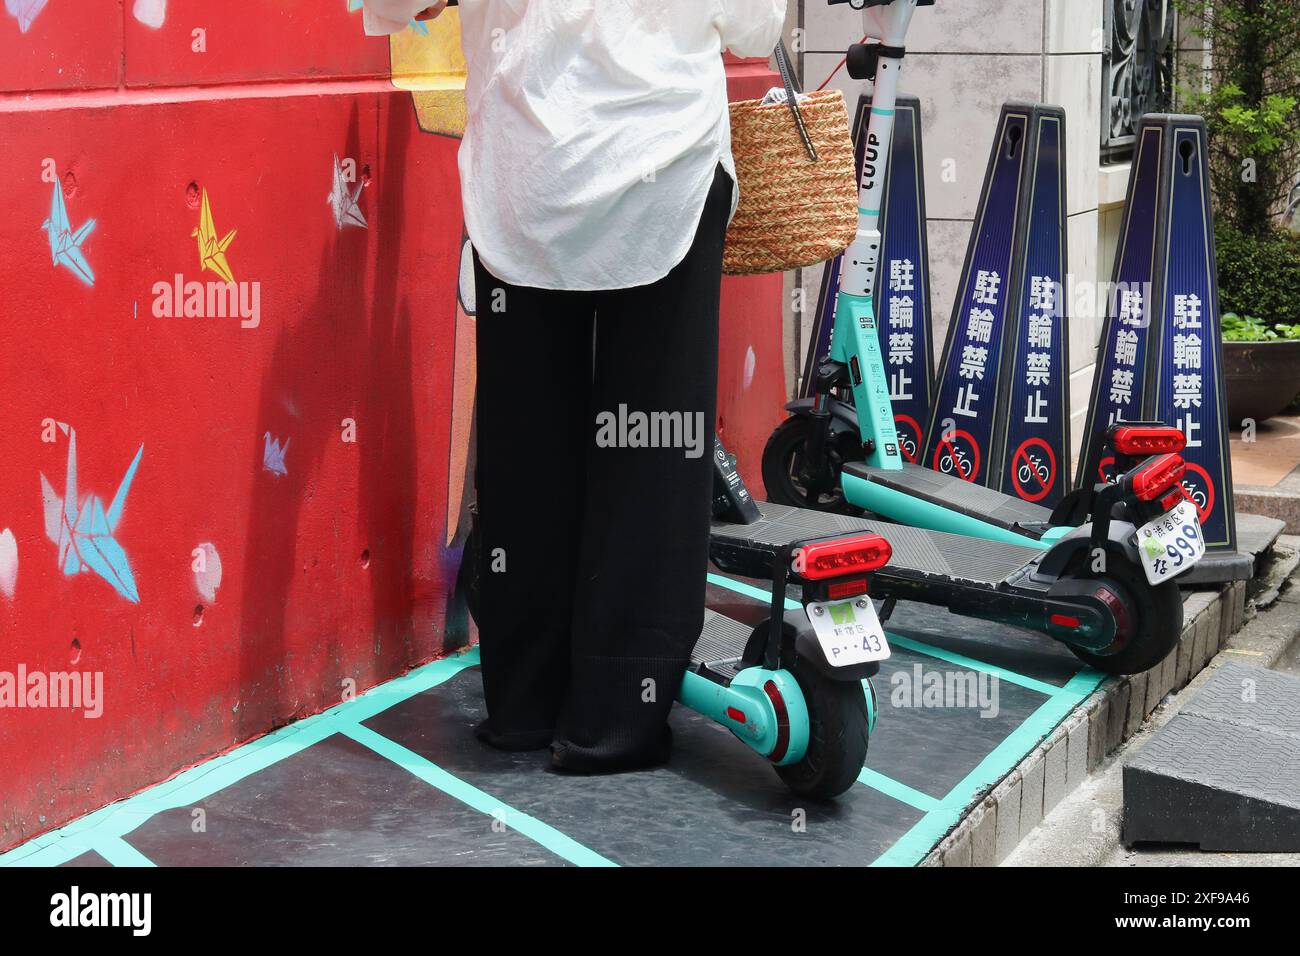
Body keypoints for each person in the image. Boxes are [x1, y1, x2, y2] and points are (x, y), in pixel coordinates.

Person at [362, 0, 788, 772]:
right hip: (662, 163)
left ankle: (524, 705)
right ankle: (615, 718)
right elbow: (755, 25)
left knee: (527, 450)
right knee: (651, 458)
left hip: (528, 174)